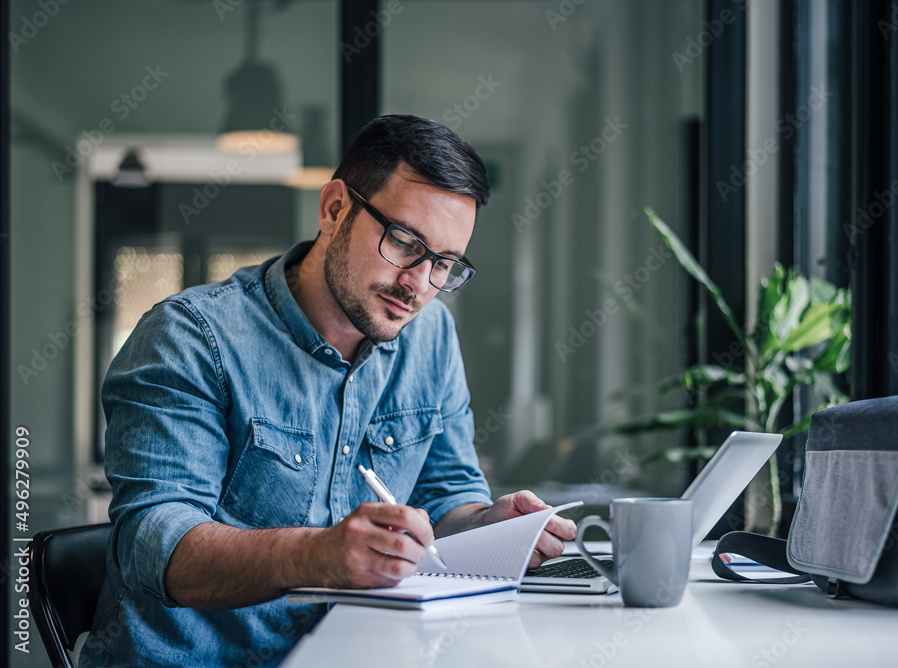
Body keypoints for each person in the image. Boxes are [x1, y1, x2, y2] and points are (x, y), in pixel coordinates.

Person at [80, 114, 576, 667]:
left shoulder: (430, 336)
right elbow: (157, 544)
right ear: (335, 209)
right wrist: (318, 555)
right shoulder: (189, 337)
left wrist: (490, 526)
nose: (418, 283)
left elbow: (446, 492)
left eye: (444, 263)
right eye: (405, 241)